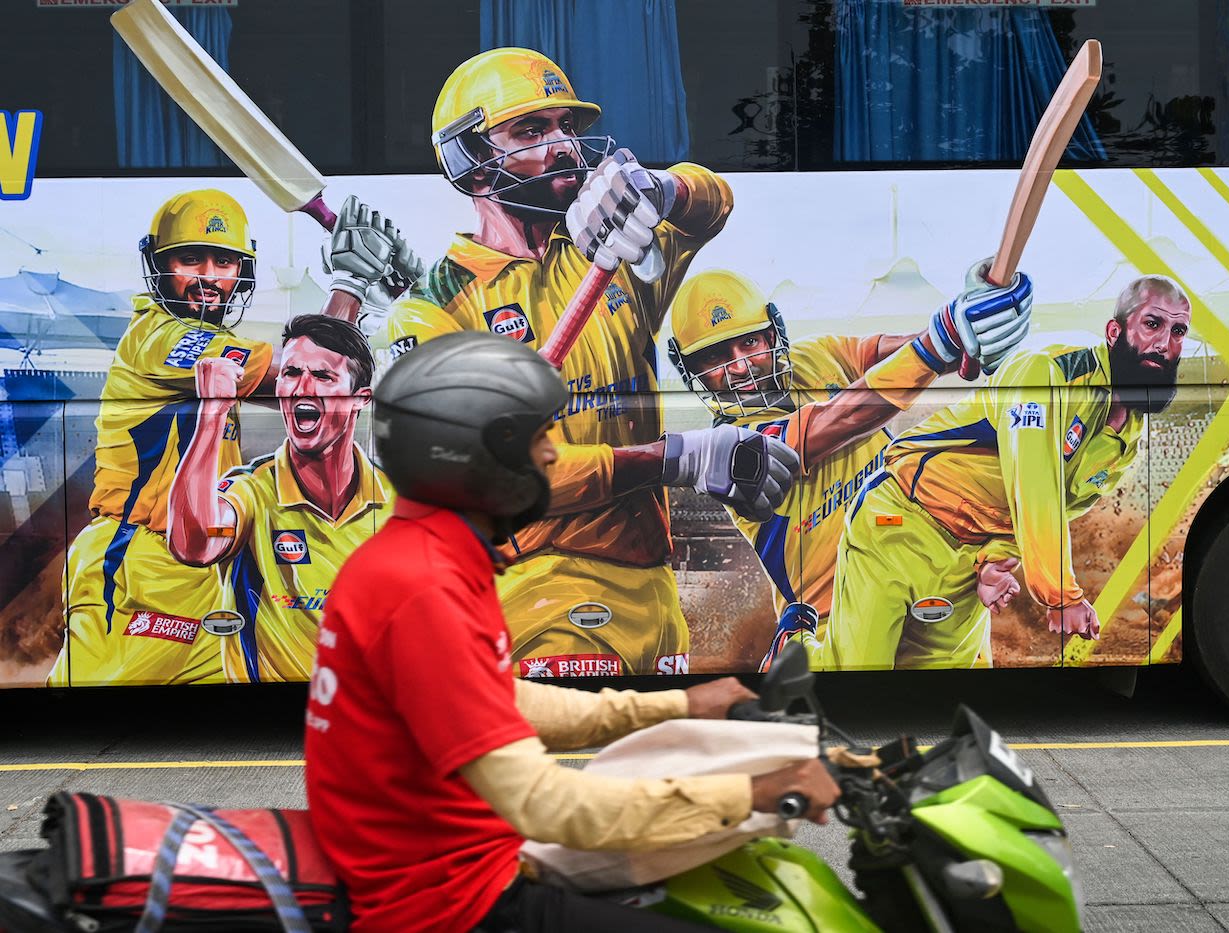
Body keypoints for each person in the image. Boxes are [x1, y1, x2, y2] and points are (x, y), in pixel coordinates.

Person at [303, 330, 840, 933]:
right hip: (452, 903)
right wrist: (760, 793)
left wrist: (680, 703)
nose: (556, 456)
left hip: (463, 861)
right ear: (475, 460)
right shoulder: (424, 588)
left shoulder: (423, 556)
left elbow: (501, 703)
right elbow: (548, 805)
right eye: (539, 440)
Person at [384, 47, 797, 677]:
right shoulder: (432, 310)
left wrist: (661, 188)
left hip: (652, 582)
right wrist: (676, 459)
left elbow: (714, 203)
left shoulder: (611, 246)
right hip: (536, 590)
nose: (564, 147)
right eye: (531, 130)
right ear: (470, 160)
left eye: (568, 128)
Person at [48, 190, 414, 687]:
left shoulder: (215, 344)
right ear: (157, 264)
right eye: (190, 259)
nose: (208, 277)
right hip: (135, 563)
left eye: (224, 261)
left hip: (209, 557)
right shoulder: (159, 337)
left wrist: (380, 303)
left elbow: (309, 393)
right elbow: (306, 371)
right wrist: (350, 284)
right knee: (95, 717)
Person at [665, 266, 1032, 670]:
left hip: (933, 586)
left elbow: (904, 353)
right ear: (689, 371)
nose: (738, 366)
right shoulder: (731, 449)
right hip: (840, 620)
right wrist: (936, 344)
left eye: (749, 342)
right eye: (715, 356)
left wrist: (967, 328)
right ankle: (794, 648)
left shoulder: (819, 357)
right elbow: (839, 420)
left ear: (773, 333)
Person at [818, 275, 1193, 669]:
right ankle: (796, 646)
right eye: (1153, 324)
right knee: (857, 669)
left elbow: (1054, 506)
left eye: (1178, 331)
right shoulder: (1046, 373)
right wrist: (1060, 595)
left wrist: (992, 561)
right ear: (1115, 331)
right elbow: (1034, 483)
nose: (1164, 343)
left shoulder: (1128, 436)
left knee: (937, 688)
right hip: (900, 525)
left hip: (967, 560)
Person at [167, 315, 387, 683]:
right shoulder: (253, 489)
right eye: (291, 373)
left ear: (359, 400)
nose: (303, 388)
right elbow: (194, 545)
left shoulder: (396, 499)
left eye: (322, 376)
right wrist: (212, 412)